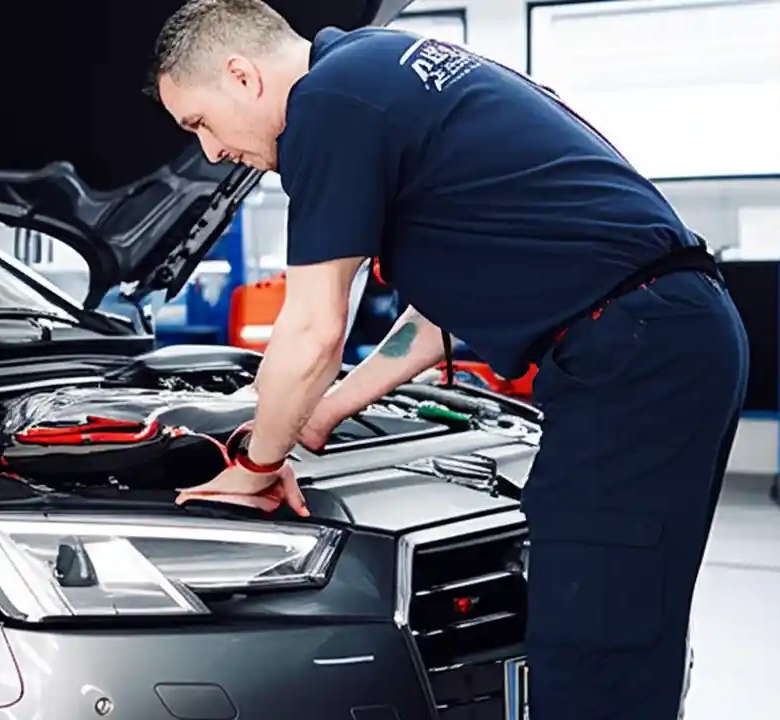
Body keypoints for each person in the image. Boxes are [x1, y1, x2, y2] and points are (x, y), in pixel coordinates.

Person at [147, 1, 748, 718]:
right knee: (627, 622)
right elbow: (433, 322)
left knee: (593, 644)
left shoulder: (329, 106)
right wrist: (324, 414)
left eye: (199, 124)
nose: (211, 153)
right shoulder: (379, 66)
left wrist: (256, 465)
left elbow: (311, 327)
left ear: (241, 75)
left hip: (634, 348)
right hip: (674, 332)